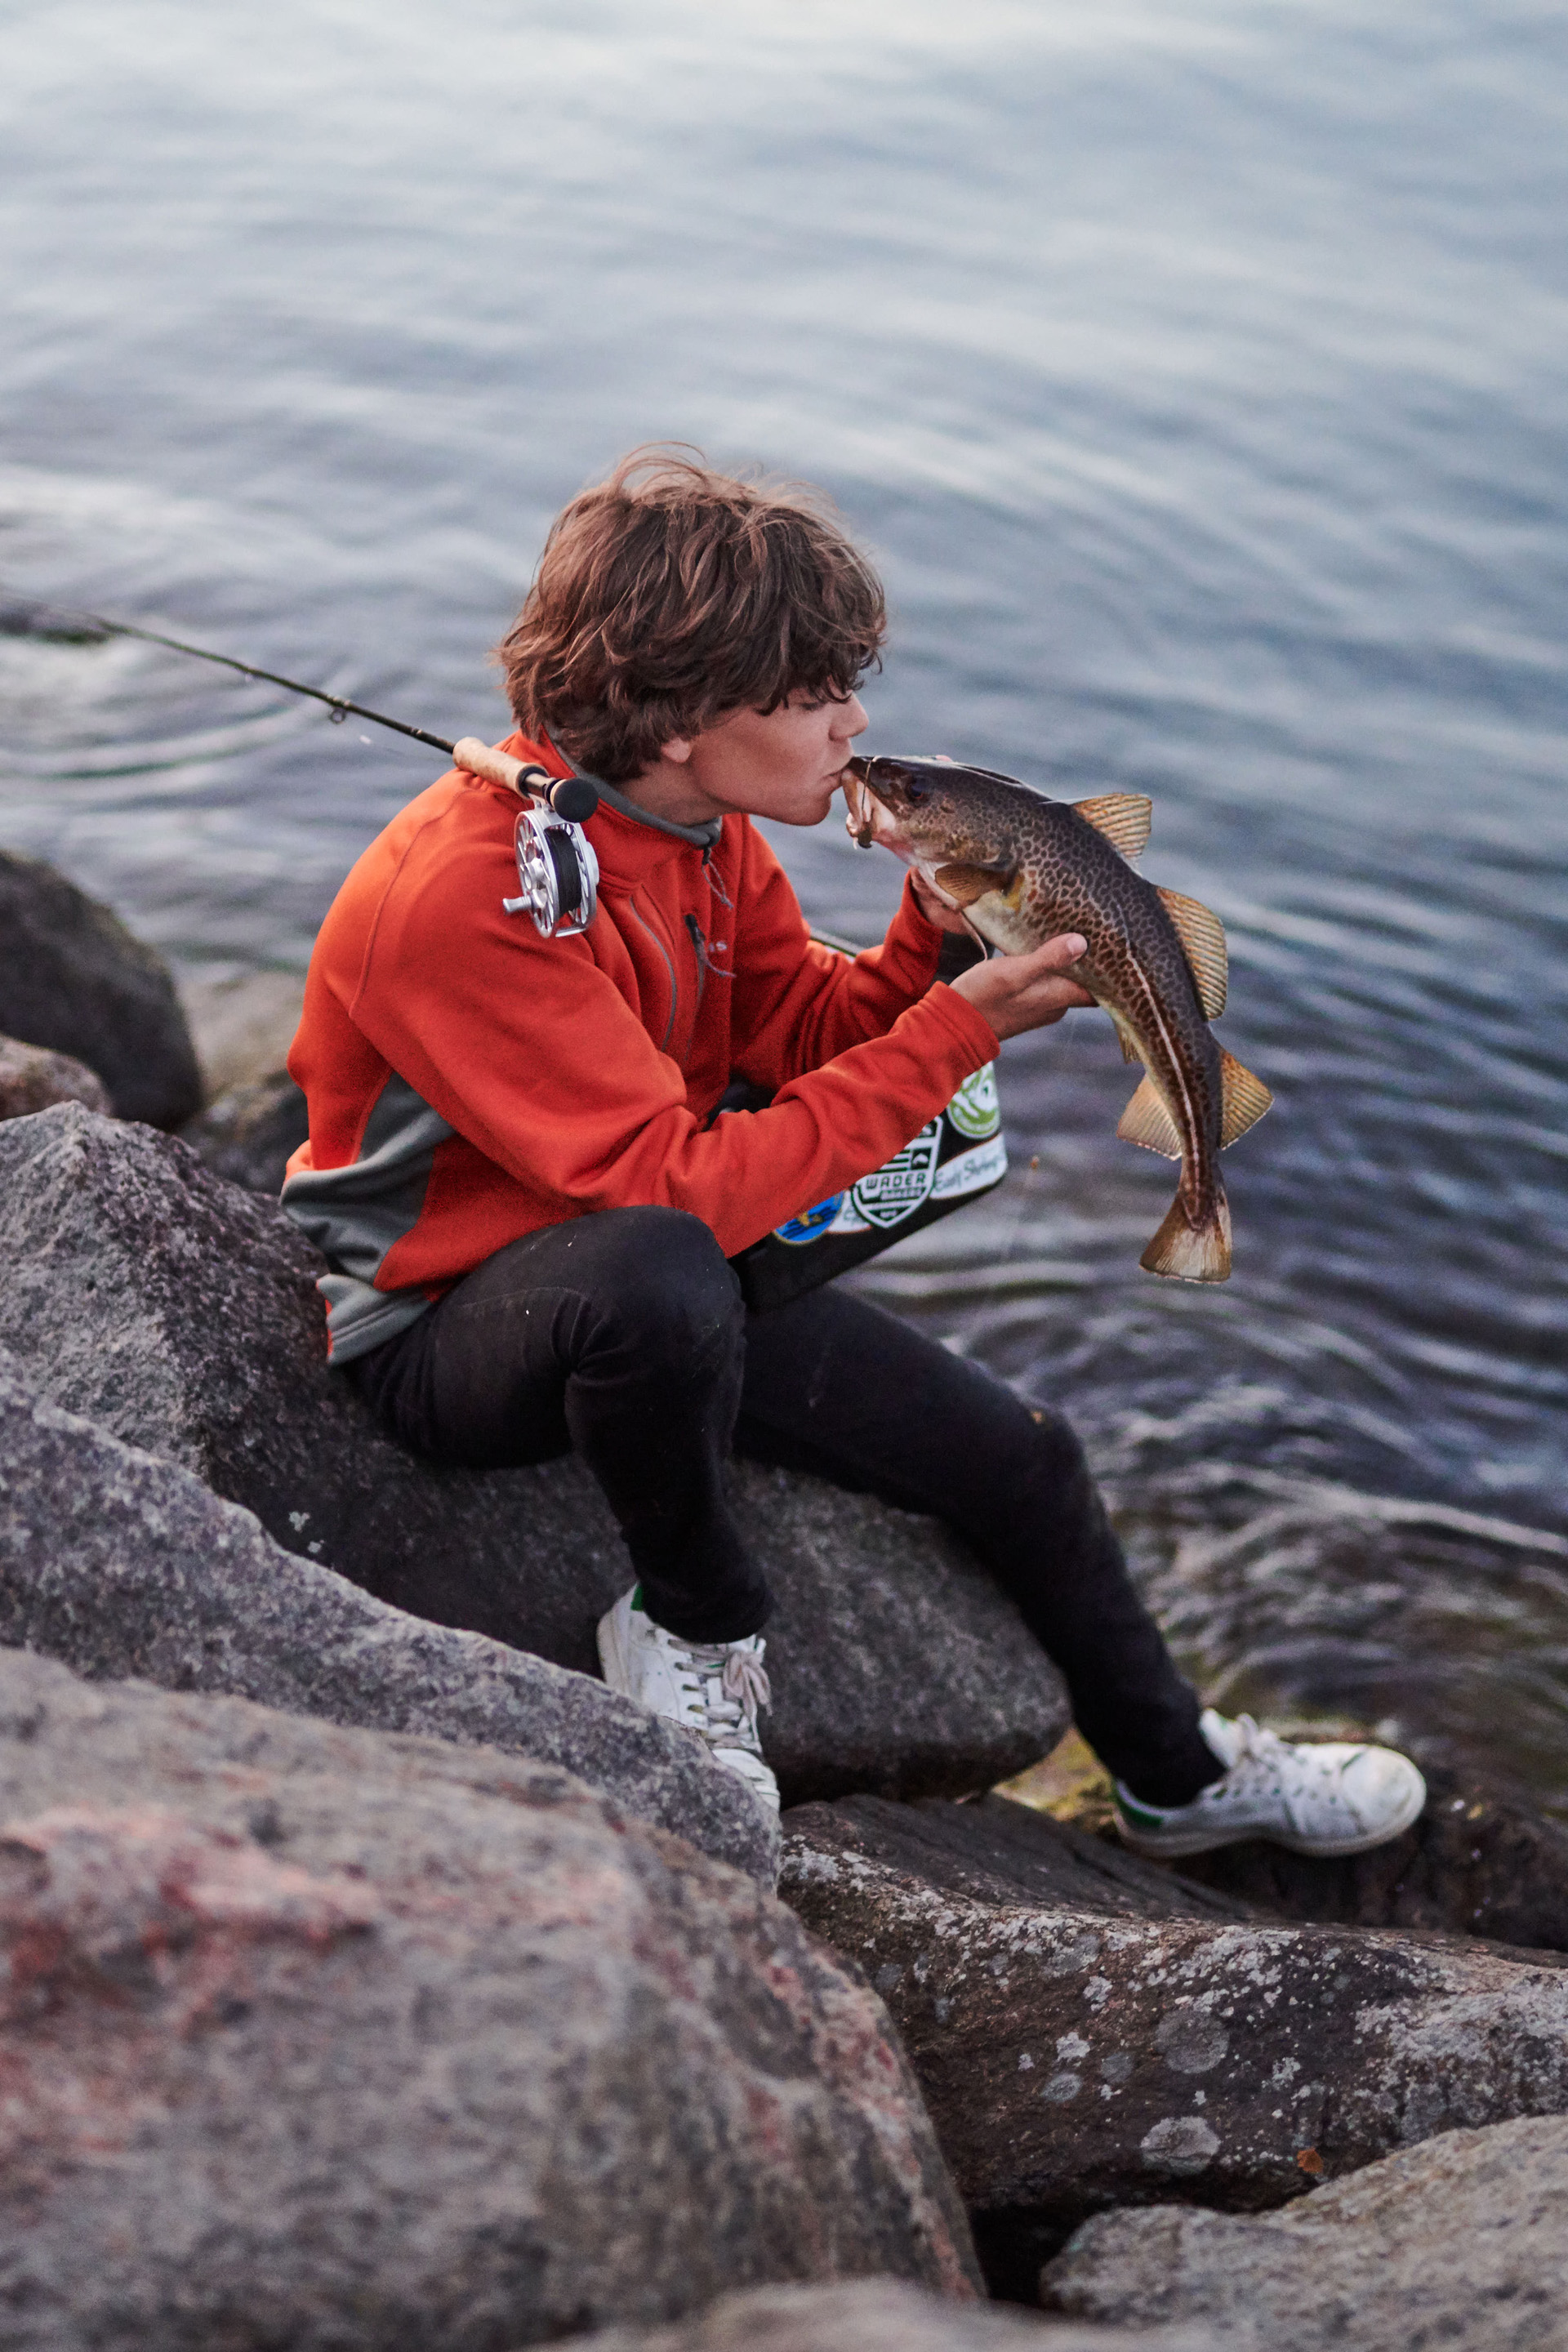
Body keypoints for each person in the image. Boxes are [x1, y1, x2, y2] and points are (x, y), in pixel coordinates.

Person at [281, 448, 1425, 1857]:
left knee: (1027, 1460)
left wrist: (938, 939)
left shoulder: (699, 830)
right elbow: (675, 1196)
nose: (854, 722)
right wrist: (953, 1035)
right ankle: (693, 1632)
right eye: (815, 694)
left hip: (646, 1279)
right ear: (688, 713)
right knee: (661, 1275)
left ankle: (1179, 1779)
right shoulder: (468, 896)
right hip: (442, 1322)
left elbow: (805, 1031)